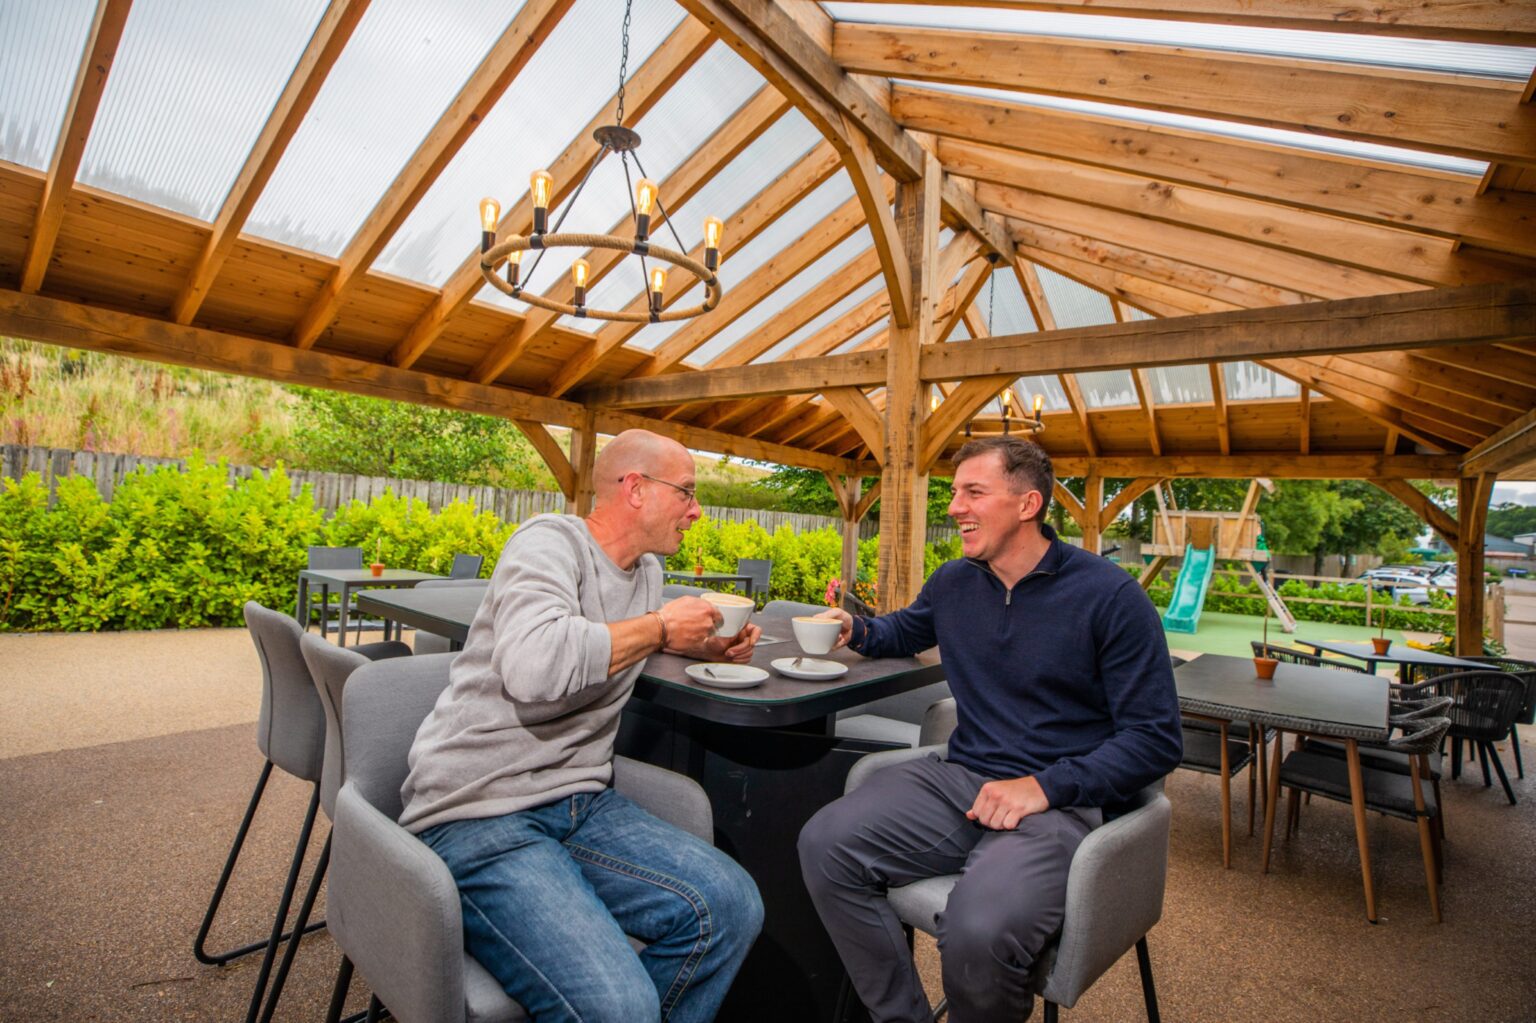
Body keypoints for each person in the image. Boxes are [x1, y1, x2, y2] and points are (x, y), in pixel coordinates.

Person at [798, 436, 1182, 1023]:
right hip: (963, 778)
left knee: (979, 930)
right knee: (824, 844)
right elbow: (906, 630)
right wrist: (857, 628)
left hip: (1061, 802)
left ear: (1028, 504)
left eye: (973, 492)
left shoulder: (1111, 597)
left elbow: (1155, 739)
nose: (955, 507)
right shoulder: (955, 582)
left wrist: (1044, 787)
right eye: (956, 492)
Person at [400, 429, 765, 1022]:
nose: (697, 510)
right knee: (619, 1006)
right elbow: (534, 665)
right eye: (687, 492)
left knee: (732, 905)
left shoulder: (646, 572)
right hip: (477, 811)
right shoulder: (548, 542)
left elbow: (617, 640)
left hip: (581, 803)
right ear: (636, 489)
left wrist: (704, 648)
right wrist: (659, 627)